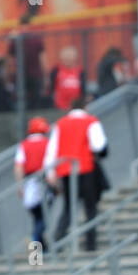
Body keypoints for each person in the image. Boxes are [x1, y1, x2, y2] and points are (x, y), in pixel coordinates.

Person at [45, 96, 109, 251]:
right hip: (85, 169)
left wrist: (50, 172)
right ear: (85, 107)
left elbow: (51, 150)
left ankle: (57, 240)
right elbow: (99, 145)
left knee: (69, 207)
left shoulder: (60, 124)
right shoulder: (90, 121)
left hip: (66, 171)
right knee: (90, 208)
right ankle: (90, 244)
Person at [14, 116, 52, 252]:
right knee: (42, 218)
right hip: (44, 182)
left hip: (29, 183)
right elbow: (51, 164)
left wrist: (20, 186)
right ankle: (35, 241)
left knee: (37, 218)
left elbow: (18, 166)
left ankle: (40, 251)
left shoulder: (24, 145)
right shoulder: (47, 143)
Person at [6, 14, 49, 110]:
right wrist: (46, 76)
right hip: (32, 74)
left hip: (22, 75)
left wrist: (10, 74)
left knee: (22, 101)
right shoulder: (35, 39)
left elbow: (10, 60)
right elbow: (43, 59)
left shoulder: (16, 40)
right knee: (34, 102)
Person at [49, 46, 85, 112]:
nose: (68, 60)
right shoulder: (56, 70)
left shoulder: (80, 71)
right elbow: (51, 86)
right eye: (66, 58)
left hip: (76, 106)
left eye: (70, 57)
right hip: (59, 106)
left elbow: (83, 88)